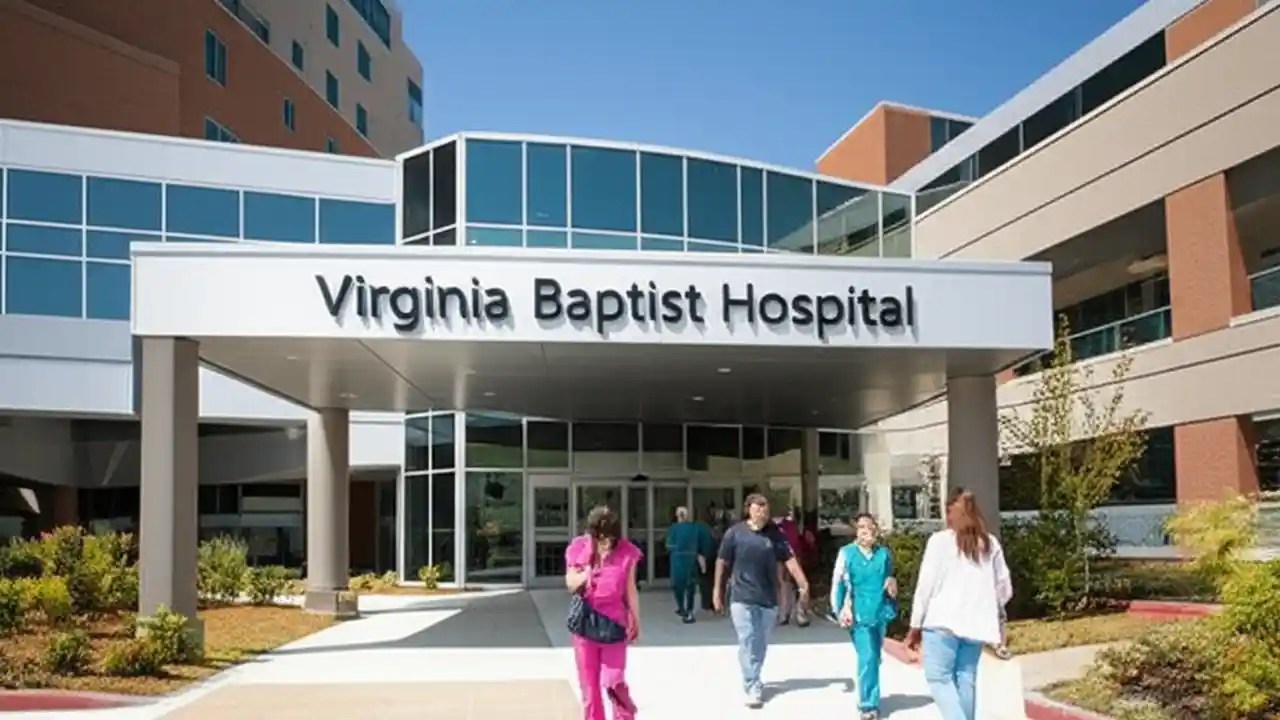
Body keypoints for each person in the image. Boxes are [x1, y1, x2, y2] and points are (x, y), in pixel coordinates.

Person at [905, 488, 1013, 720]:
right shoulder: (990, 543)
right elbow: (1004, 587)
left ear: (949, 512)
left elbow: (925, 587)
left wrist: (915, 626)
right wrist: (988, 606)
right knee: (966, 677)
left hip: (941, 623)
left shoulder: (939, 542)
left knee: (939, 678)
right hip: (976, 624)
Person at [713, 493, 811, 708]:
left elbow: (790, 560)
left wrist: (803, 583)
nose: (763, 513)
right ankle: (752, 683)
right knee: (747, 639)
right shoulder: (735, 533)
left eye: (766, 510)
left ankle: (754, 673)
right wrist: (716, 590)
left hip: (768, 598)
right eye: (759, 509)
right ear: (749, 509)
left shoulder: (775, 535)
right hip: (741, 596)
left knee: (760, 643)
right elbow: (722, 562)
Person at [565, 505, 643, 720]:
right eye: (600, 536)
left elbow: (630, 589)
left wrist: (636, 621)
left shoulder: (627, 552)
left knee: (614, 682)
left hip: (615, 624)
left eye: (610, 537)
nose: (606, 542)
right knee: (590, 689)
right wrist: (586, 573)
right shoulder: (578, 548)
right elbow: (570, 583)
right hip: (585, 624)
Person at [831, 513, 899, 720]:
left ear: (876, 530)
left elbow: (889, 578)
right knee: (867, 656)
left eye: (869, 527)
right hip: (857, 615)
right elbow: (838, 584)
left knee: (875, 657)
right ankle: (868, 704)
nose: (865, 531)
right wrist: (839, 610)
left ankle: (871, 691)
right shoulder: (847, 553)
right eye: (860, 527)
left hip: (879, 613)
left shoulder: (884, 554)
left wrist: (892, 587)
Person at [665, 505, 705, 623]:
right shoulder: (695, 528)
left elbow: (669, 544)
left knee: (678, 585)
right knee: (690, 585)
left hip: (678, 559)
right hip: (691, 558)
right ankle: (689, 609)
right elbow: (700, 544)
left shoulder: (674, 528)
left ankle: (682, 608)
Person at [775, 507, 813, 627]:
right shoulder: (791, 525)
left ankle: (786, 612)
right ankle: (797, 612)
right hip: (793, 555)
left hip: (786, 555)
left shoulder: (778, 525)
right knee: (796, 584)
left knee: (784, 583)